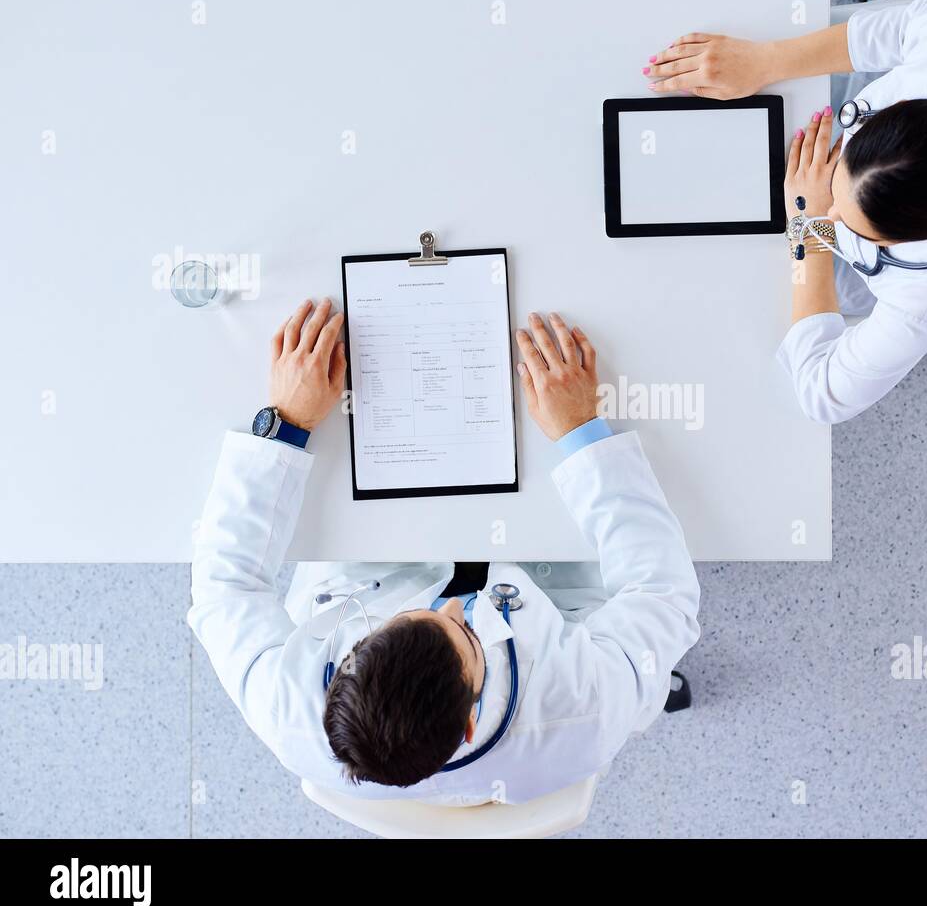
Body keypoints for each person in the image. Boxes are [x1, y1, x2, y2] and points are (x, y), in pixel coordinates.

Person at [188, 299, 700, 805]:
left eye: (400, 621)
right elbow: (663, 593)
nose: (454, 603)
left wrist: (286, 424)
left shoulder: (286, 708)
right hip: (551, 592)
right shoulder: (585, 703)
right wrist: (581, 434)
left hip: (377, 564)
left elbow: (222, 588)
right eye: (465, 633)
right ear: (472, 721)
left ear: (348, 659)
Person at [645, 0, 927, 423]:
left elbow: (820, 395)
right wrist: (765, 61)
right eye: (844, 175)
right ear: (895, 109)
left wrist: (809, 227)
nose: (833, 212)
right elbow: (901, 25)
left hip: (844, 262)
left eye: (854, 222)